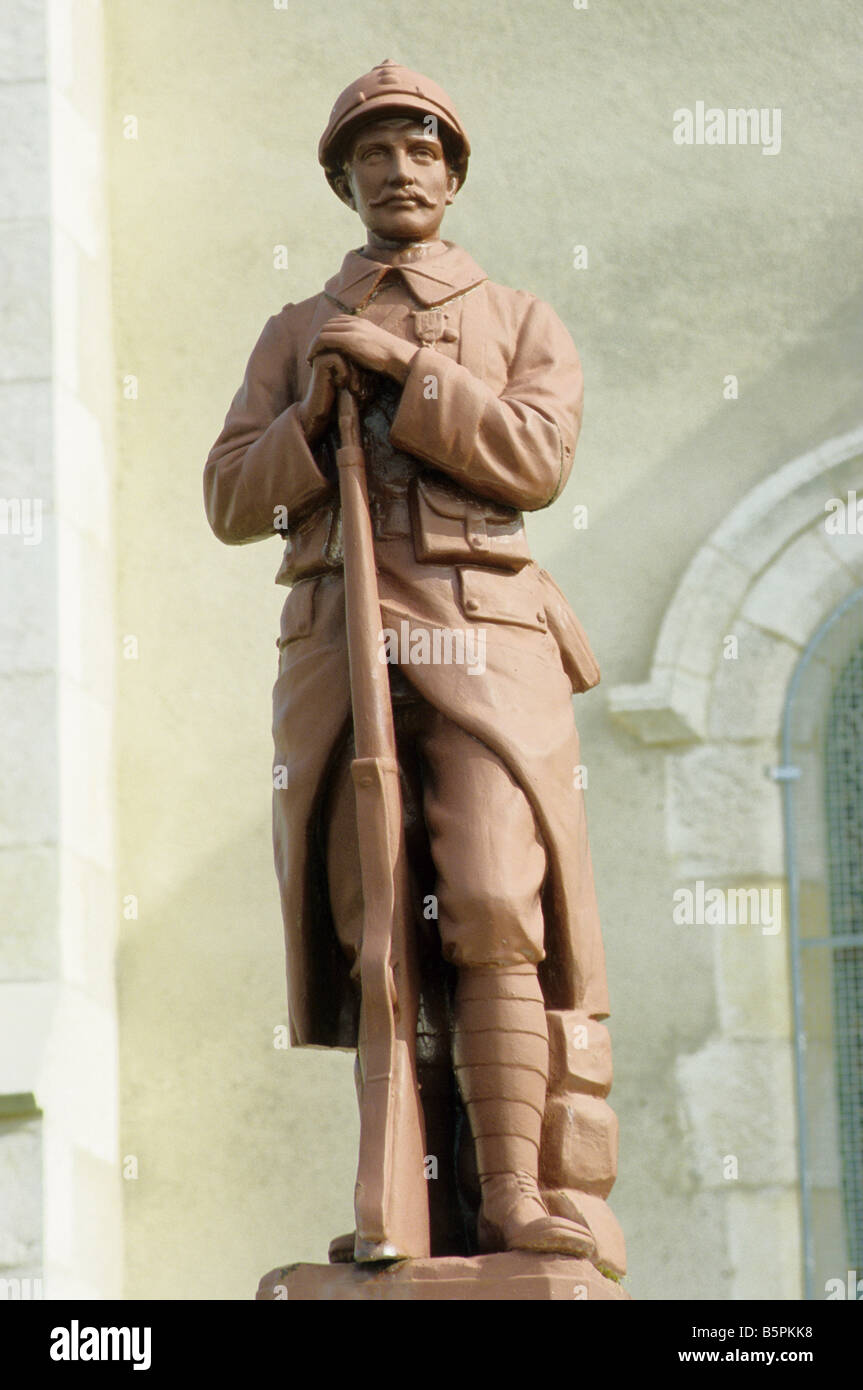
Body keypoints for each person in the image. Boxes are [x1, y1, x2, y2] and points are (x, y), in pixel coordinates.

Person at [204, 60, 610, 1263]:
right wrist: (306, 417)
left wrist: (407, 376)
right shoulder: (293, 331)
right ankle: (405, 1202)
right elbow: (229, 495)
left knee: (489, 901)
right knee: (381, 926)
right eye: (373, 154)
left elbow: (533, 455)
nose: (399, 170)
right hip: (341, 647)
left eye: (421, 150)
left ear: (451, 171)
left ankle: (516, 1195)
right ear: (343, 181)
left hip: (481, 637)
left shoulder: (519, 316)